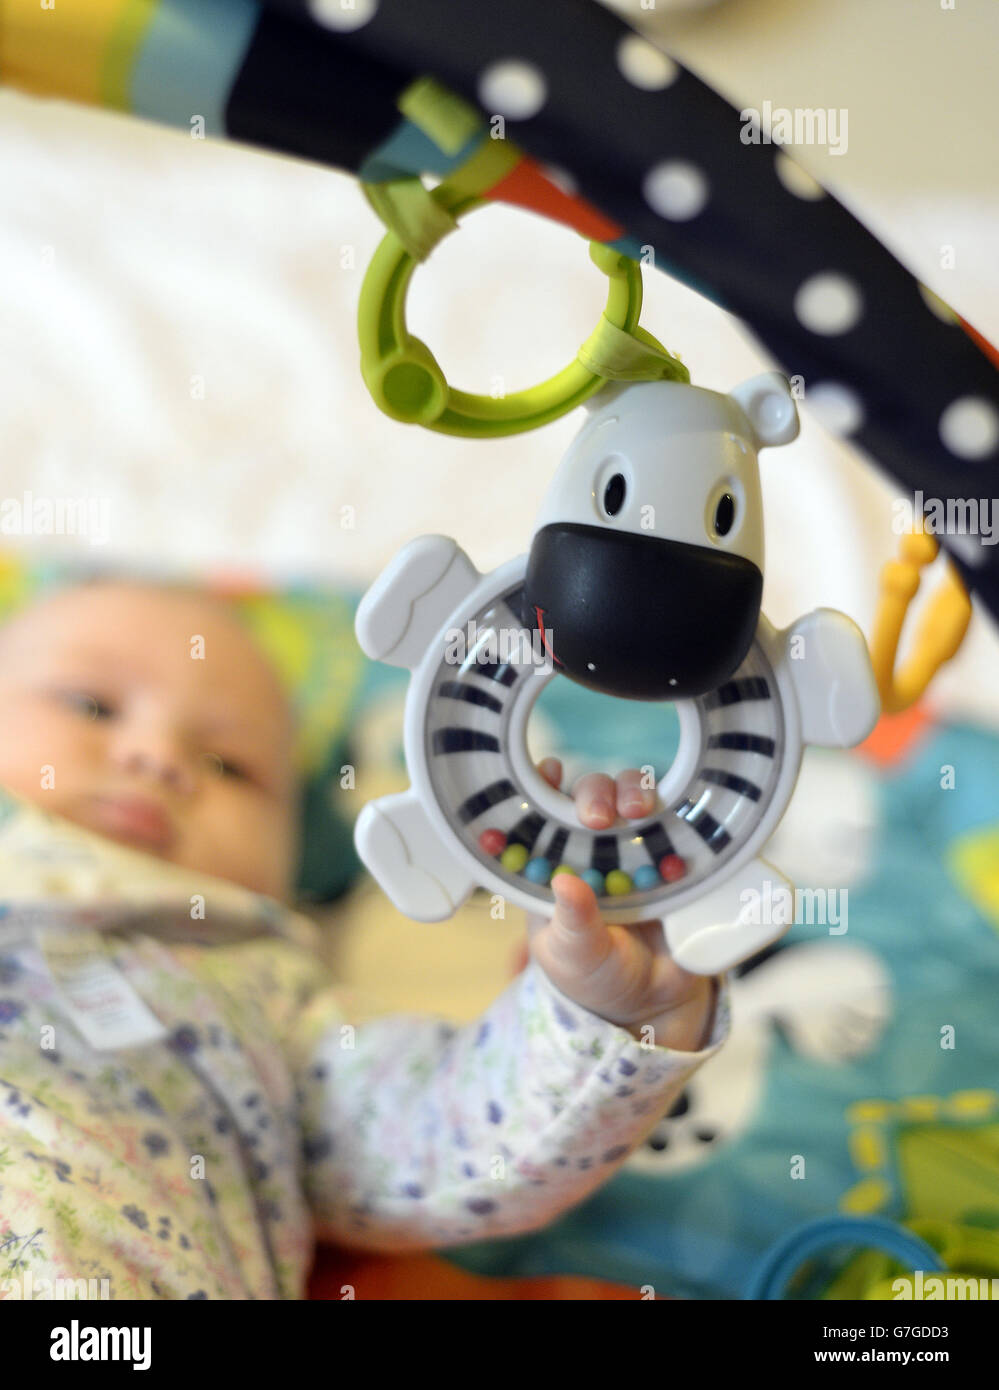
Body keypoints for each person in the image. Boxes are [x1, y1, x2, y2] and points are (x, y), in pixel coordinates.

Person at [0, 580, 727, 1299]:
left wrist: (602, 1009)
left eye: (231, 766)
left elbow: (445, 1134)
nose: (158, 757)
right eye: (89, 705)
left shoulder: (263, 992)